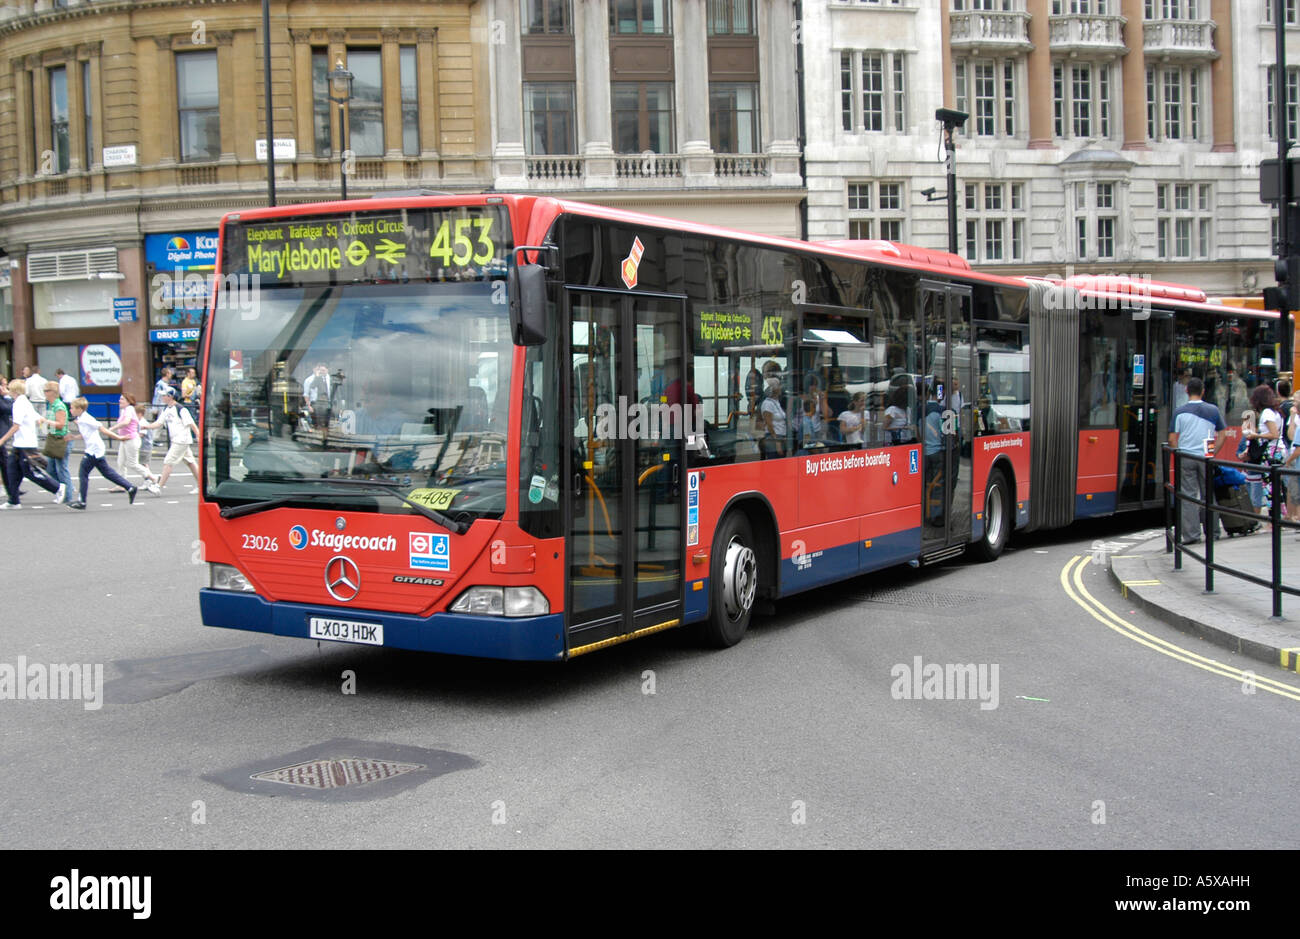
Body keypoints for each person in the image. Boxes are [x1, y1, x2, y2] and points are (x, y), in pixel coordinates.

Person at [1168, 376, 1227, 544]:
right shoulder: (1213, 410)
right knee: (1209, 495)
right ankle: (1213, 533)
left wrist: (1177, 453)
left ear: (1186, 391)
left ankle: (1191, 535)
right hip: (1206, 458)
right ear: (1203, 391)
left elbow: (1172, 440)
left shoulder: (1179, 412)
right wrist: (1213, 451)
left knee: (1188, 496)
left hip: (1186, 457)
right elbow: (1223, 434)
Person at [0, 378, 64, 507]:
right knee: (12, 471)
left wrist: (2, 440)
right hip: (19, 444)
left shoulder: (19, 404)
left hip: (25, 444)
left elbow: (16, 426)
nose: (8, 390)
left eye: (10, 389)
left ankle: (57, 488)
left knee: (30, 472)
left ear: (15, 391)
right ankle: (13, 501)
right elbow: (37, 418)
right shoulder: (24, 402)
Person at [66, 397, 137, 510]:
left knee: (83, 473)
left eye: (72, 408)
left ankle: (82, 501)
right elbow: (87, 434)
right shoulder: (81, 419)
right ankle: (130, 487)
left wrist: (119, 437)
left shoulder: (87, 419)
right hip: (95, 449)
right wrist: (74, 437)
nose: (70, 410)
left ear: (80, 409)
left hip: (94, 450)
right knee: (107, 472)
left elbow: (102, 429)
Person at [139, 389, 200, 494]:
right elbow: (158, 423)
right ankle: (202, 485)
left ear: (170, 396)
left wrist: (198, 436)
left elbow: (191, 423)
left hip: (181, 440)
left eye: (164, 396)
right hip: (177, 440)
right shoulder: (167, 409)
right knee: (191, 462)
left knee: (168, 461)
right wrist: (147, 426)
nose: (162, 398)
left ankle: (158, 486)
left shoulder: (180, 409)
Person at [1243, 384, 1283, 524]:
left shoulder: (1266, 413)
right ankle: (1278, 518)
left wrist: (1255, 435)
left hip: (1270, 452)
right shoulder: (1275, 412)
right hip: (1277, 451)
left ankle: (1274, 522)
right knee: (1275, 487)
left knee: (1269, 487)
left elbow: (1274, 434)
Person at [111, 393, 160, 494]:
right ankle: (122, 484)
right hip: (124, 439)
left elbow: (126, 422)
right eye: (120, 399)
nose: (120, 401)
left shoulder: (129, 409)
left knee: (132, 463)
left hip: (131, 440)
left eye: (122, 399)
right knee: (121, 462)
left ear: (129, 401)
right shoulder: (123, 410)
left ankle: (153, 477)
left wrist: (113, 428)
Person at [38, 380, 73, 504]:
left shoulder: (58, 405)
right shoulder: (51, 405)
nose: (45, 393)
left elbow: (61, 424)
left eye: (46, 391)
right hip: (53, 438)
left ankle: (68, 495)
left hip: (61, 440)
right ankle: (62, 490)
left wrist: (46, 422)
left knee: (61, 468)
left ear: (53, 392)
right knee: (51, 469)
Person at [759, 377, 786, 459]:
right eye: (779, 386)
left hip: (780, 437)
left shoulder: (776, 402)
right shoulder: (768, 404)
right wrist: (777, 442)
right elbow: (769, 424)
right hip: (774, 439)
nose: (781, 387)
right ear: (774, 389)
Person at [302, 362, 334, 430]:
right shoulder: (310, 380)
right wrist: (309, 406)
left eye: (323, 370)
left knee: (326, 424)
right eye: (319, 369)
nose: (321, 371)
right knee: (318, 424)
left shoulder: (331, 379)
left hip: (327, 403)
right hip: (316, 404)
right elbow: (306, 394)